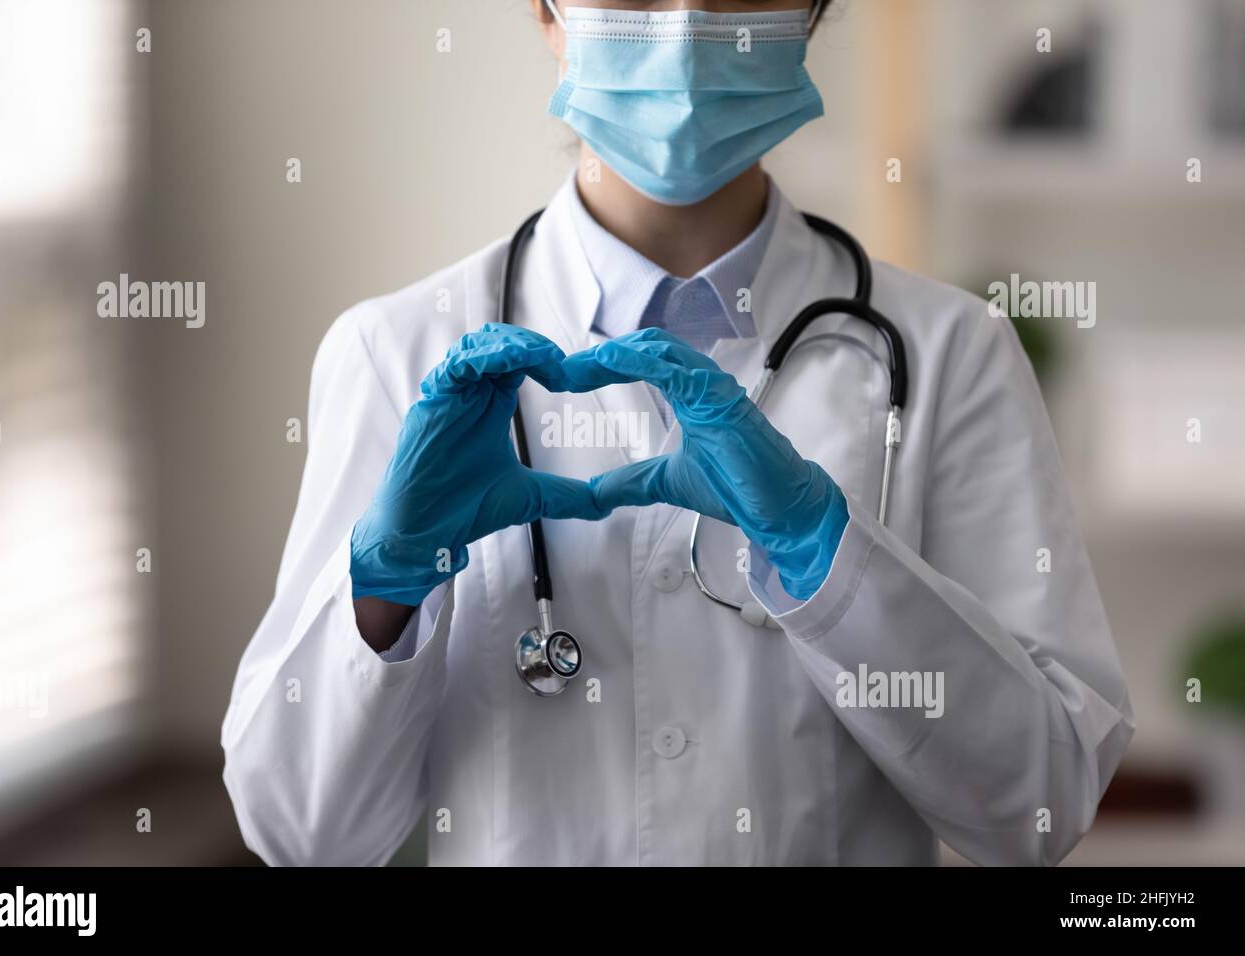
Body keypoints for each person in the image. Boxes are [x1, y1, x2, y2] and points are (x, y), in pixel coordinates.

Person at [220, 0, 1134, 866]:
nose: (691, 19)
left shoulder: (951, 351)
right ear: (547, 10)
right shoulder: (395, 351)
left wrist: (830, 561)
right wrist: (386, 589)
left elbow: (1038, 809)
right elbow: (304, 837)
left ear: (812, 10)